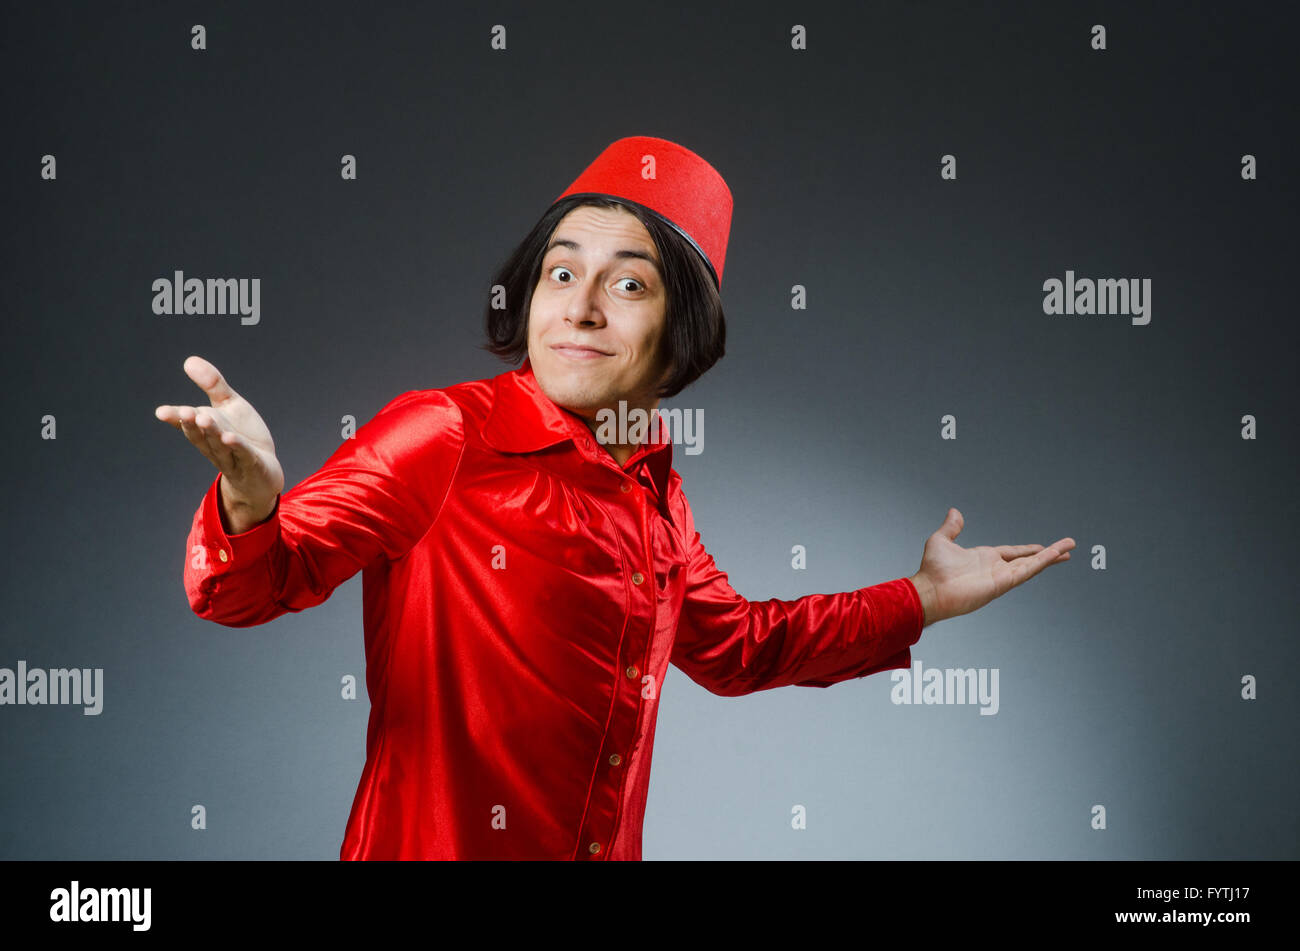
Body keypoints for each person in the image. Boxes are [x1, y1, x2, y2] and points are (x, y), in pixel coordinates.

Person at [155, 136, 1075, 860]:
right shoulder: (443, 433)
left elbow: (739, 647)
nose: (581, 308)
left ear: (685, 326)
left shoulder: (654, 488)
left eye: (627, 283)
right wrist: (248, 501)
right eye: (561, 273)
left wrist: (923, 598)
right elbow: (244, 587)